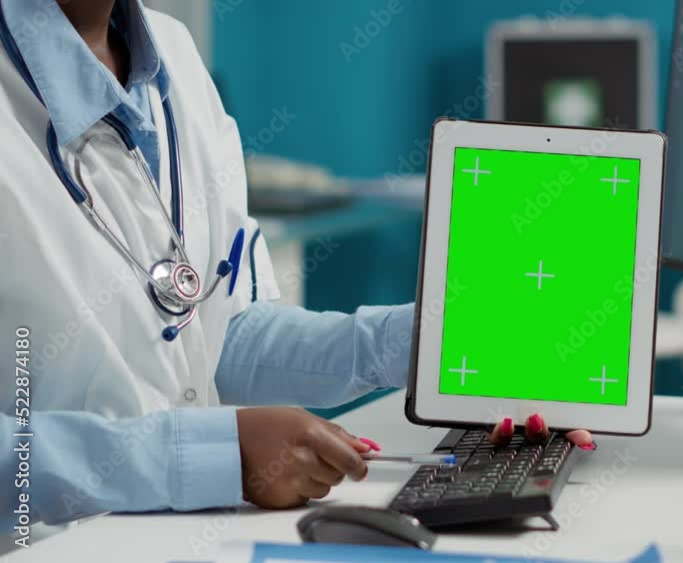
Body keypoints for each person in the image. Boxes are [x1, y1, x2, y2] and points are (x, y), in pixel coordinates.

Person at [0, 0, 593, 531]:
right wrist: (211, 457)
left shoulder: (172, 52)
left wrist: (435, 345)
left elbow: (219, 334)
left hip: (182, 535)